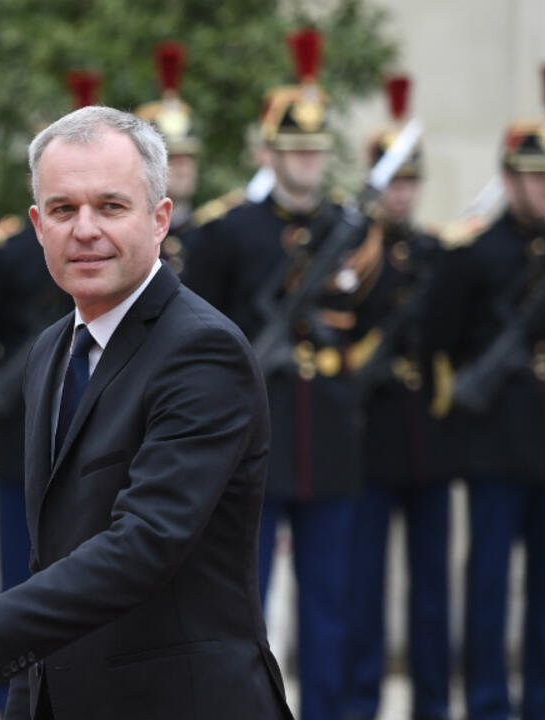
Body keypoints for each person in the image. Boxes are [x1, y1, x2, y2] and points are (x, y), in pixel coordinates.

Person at [0, 104, 291, 720]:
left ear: (160, 219)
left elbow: (145, 542)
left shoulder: (203, 350)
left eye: (111, 206)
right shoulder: (53, 350)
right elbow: (51, 562)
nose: (85, 229)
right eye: (64, 210)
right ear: (39, 226)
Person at [182, 28, 379, 720]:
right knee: (243, 607)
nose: (306, 162)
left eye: (316, 150)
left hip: (328, 440)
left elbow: (378, 325)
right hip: (251, 449)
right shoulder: (228, 232)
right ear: (268, 153)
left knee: (333, 607)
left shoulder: (349, 231)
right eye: (293, 149)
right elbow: (197, 338)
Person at [422, 64, 545, 720]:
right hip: (492, 446)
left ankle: (542, 702)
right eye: (534, 175)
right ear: (508, 178)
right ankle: (486, 703)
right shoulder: (473, 255)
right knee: (489, 586)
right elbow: (440, 341)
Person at [0, 73, 85, 715]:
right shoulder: (5, 252)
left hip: (92, 437)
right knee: (20, 582)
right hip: (21, 443)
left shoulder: (100, 247)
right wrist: (6, 394)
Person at [342, 74, 451, 720]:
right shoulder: (355, 252)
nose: (403, 194)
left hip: (428, 442)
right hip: (370, 439)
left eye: (412, 182)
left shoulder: (436, 251)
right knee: (363, 591)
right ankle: (360, 705)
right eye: (393, 183)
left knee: (432, 593)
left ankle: (433, 706)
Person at [135, 41, 202, 275]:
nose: (182, 168)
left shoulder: (215, 234)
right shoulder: (131, 239)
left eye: (188, 157)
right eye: (172, 158)